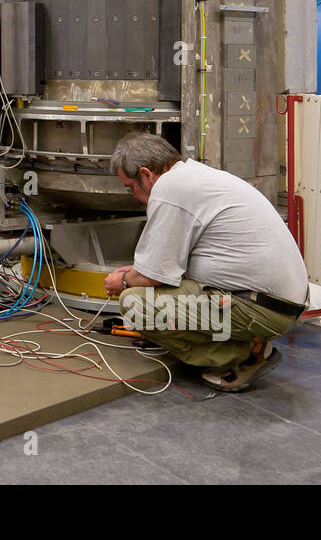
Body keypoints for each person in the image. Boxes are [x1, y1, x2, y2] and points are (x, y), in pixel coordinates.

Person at [101, 132, 308, 392]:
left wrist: (121, 280)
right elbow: (165, 264)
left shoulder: (168, 189)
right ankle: (245, 342)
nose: (134, 196)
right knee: (154, 290)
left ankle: (241, 356)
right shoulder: (194, 176)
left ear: (145, 174)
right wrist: (138, 272)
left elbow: (151, 277)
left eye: (131, 188)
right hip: (281, 303)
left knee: (135, 302)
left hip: (263, 309)